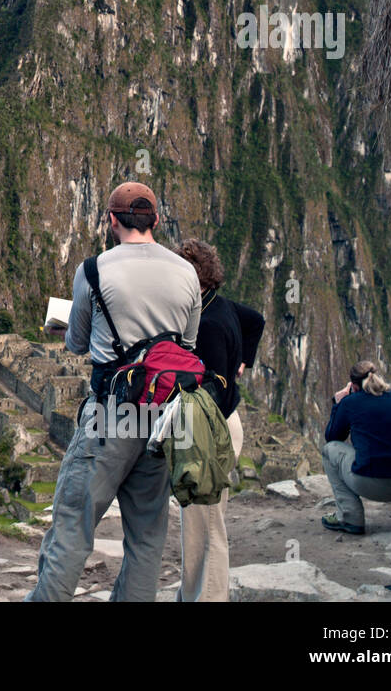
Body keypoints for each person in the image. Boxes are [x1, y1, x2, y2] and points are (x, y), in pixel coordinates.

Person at [26, 182, 201, 602]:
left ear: (111, 220)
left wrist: (71, 328)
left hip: (111, 414)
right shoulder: (187, 273)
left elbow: (79, 342)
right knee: (145, 540)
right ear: (156, 220)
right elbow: (187, 348)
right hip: (162, 419)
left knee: (73, 527)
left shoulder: (94, 270)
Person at [172, 238, 265, 602]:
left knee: (208, 530)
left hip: (210, 432)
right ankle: (192, 596)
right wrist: (244, 361)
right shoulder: (217, 304)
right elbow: (255, 321)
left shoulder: (208, 325)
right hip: (223, 425)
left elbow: (212, 394)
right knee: (196, 528)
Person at [321, 361, 391, 534]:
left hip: (370, 484)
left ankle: (350, 518)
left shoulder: (351, 402)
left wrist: (338, 403)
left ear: (354, 387)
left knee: (330, 450)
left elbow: (333, 437)